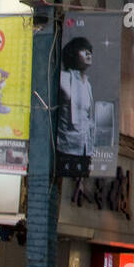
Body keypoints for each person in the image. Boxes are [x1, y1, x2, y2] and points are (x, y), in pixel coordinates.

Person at [56, 36, 95, 176]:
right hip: (66, 147)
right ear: (73, 53)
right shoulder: (62, 78)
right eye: (83, 50)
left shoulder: (88, 85)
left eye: (90, 51)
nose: (88, 54)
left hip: (84, 148)